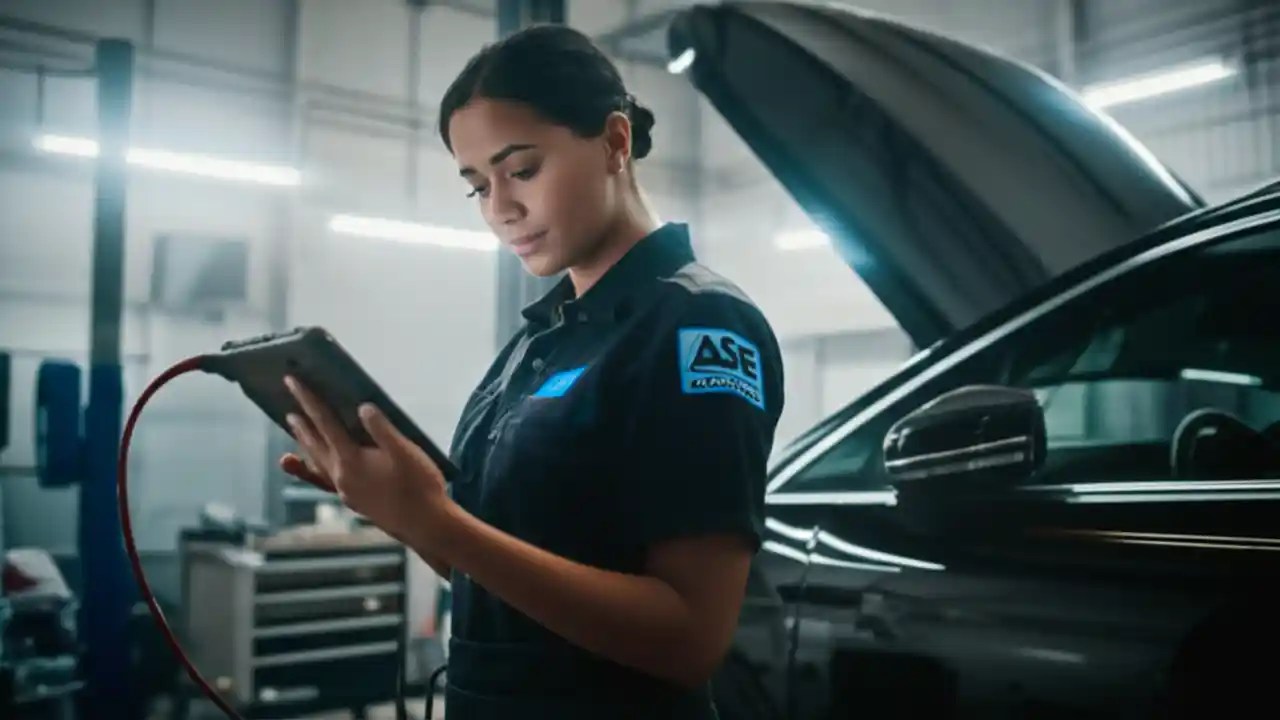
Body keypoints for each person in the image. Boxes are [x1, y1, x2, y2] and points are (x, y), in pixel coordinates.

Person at [278, 24, 785, 719]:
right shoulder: (538, 342)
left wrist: (442, 525)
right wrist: (402, 512)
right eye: (476, 187)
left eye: (521, 170)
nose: (500, 209)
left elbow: (690, 637)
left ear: (613, 142)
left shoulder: (699, 327)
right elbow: (498, 574)